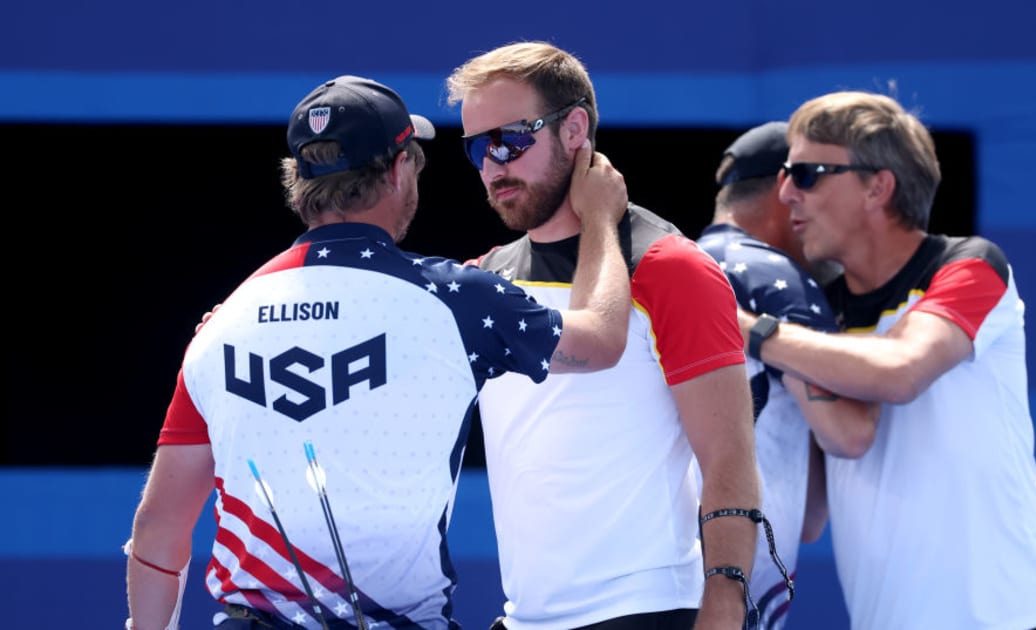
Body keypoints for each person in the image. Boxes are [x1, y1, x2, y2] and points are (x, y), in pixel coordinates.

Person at [124, 74, 634, 630]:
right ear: (398, 172)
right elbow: (602, 340)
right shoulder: (453, 300)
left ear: (298, 181)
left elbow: (158, 531)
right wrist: (602, 222)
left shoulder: (221, 323)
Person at [444, 42, 765, 629]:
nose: (491, 164)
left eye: (509, 138)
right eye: (474, 146)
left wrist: (724, 605)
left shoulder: (672, 267)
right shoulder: (484, 275)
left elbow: (729, 458)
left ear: (574, 129)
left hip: (646, 611)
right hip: (525, 617)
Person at [744, 90, 1036, 629]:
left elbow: (900, 372)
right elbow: (809, 516)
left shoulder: (970, 265)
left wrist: (751, 330)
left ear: (878, 185)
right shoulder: (813, 318)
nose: (785, 193)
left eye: (806, 173)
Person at [695, 122, 880, 629]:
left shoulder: (670, 268)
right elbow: (839, 455)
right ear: (787, 189)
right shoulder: (778, 282)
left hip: (652, 575)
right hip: (733, 586)